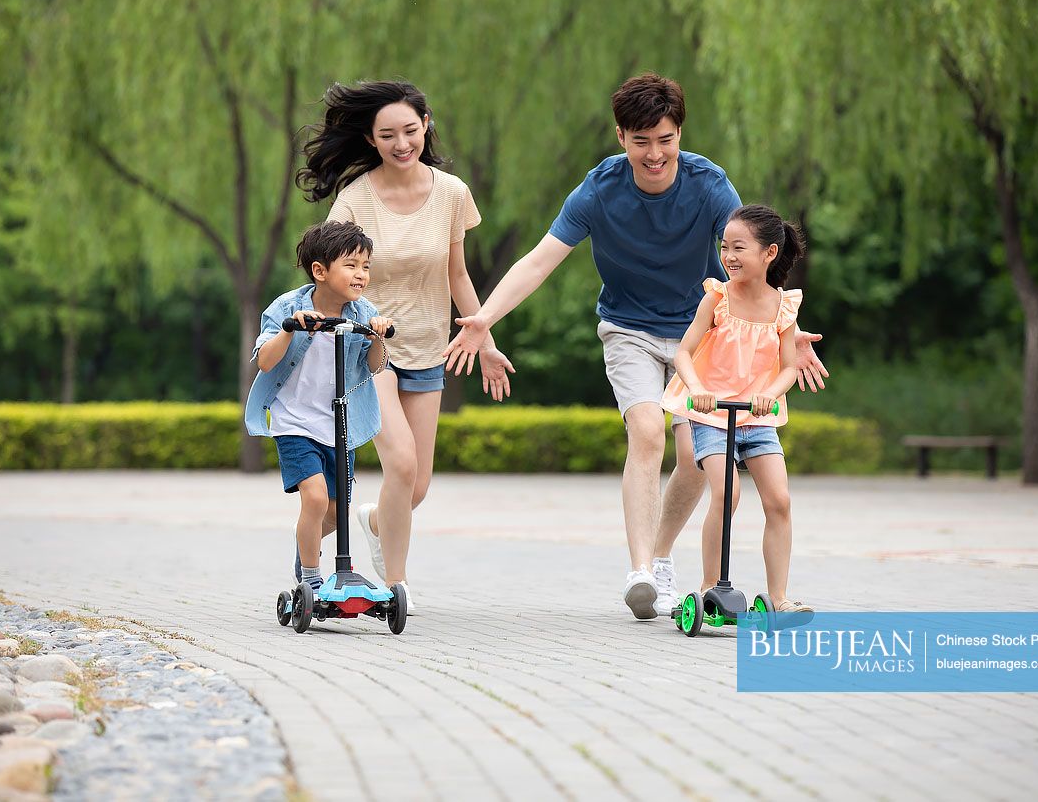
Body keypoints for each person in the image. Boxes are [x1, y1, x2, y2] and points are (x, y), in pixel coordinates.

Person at [444, 73, 828, 619]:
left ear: (679, 135)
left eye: (666, 140)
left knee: (696, 458)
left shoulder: (709, 184)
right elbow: (540, 259)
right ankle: (642, 570)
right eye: (641, 140)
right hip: (629, 329)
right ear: (621, 136)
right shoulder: (599, 190)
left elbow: (753, 261)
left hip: (701, 336)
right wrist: (483, 318)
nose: (655, 154)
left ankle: (665, 555)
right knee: (647, 431)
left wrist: (785, 332)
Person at [295, 80, 514, 608]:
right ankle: (396, 585)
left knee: (416, 487)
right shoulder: (355, 199)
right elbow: (328, 278)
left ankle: (355, 526)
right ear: (371, 140)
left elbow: (456, 274)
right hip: (370, 352)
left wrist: (481, 335)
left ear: (426, 126)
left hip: (429, 348)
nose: (401, 143)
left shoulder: (452, 193)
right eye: (387, 135)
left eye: (410, 131)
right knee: (402, 465)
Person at [659, 204, 812, 612]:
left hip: (757, 418)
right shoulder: (717, 298)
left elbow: (788, 367)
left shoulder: (783, 307)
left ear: (769, 254)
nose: (728, 256)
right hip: (712, 414)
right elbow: (685, 353)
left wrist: (771, 393)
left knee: (779, 500)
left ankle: (778, 598)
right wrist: (696, 388)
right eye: (724, 247)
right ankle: (712, 588)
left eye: (739, 248)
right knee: (727, 494)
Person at [244, 221, 394, 599]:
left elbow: (375, 366)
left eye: (366, 266)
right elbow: (264, 361)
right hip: (294, 422)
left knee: (334, 513)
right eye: (352, 265)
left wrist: (376, 335)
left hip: (340, 425)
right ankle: (310, 576)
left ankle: (304, 543)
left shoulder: (364, 312)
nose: (361, 274)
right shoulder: (288, 307)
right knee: (313, 499)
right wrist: (291, 330)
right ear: (320, 271)